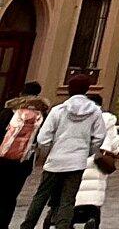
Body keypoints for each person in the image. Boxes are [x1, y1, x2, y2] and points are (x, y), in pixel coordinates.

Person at [23, 73, 108, 229]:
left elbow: (44, 137)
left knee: (41, 197)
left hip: (55, 160)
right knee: (68, 200)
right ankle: (62, 226)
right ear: (86, 90)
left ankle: (27, 226)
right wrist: (86, 151)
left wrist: (48, 152)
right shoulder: (95, 111)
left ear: (69, 89)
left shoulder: (58, 110)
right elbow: (99, 137)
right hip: (77, 162)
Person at [61, 101, 115, 229]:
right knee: (94, 194)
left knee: (74, 192)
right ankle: (91, 219)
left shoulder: (71, 116)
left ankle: (70, 220)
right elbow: (114, 146)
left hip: (74, 158)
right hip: (97, 161)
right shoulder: (107, 120)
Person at [0, 85, 46, 226]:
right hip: (24, 161)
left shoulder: (8, 111)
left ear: (21, 93)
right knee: (11, 196)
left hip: (2, 158)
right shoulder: (42, 114)